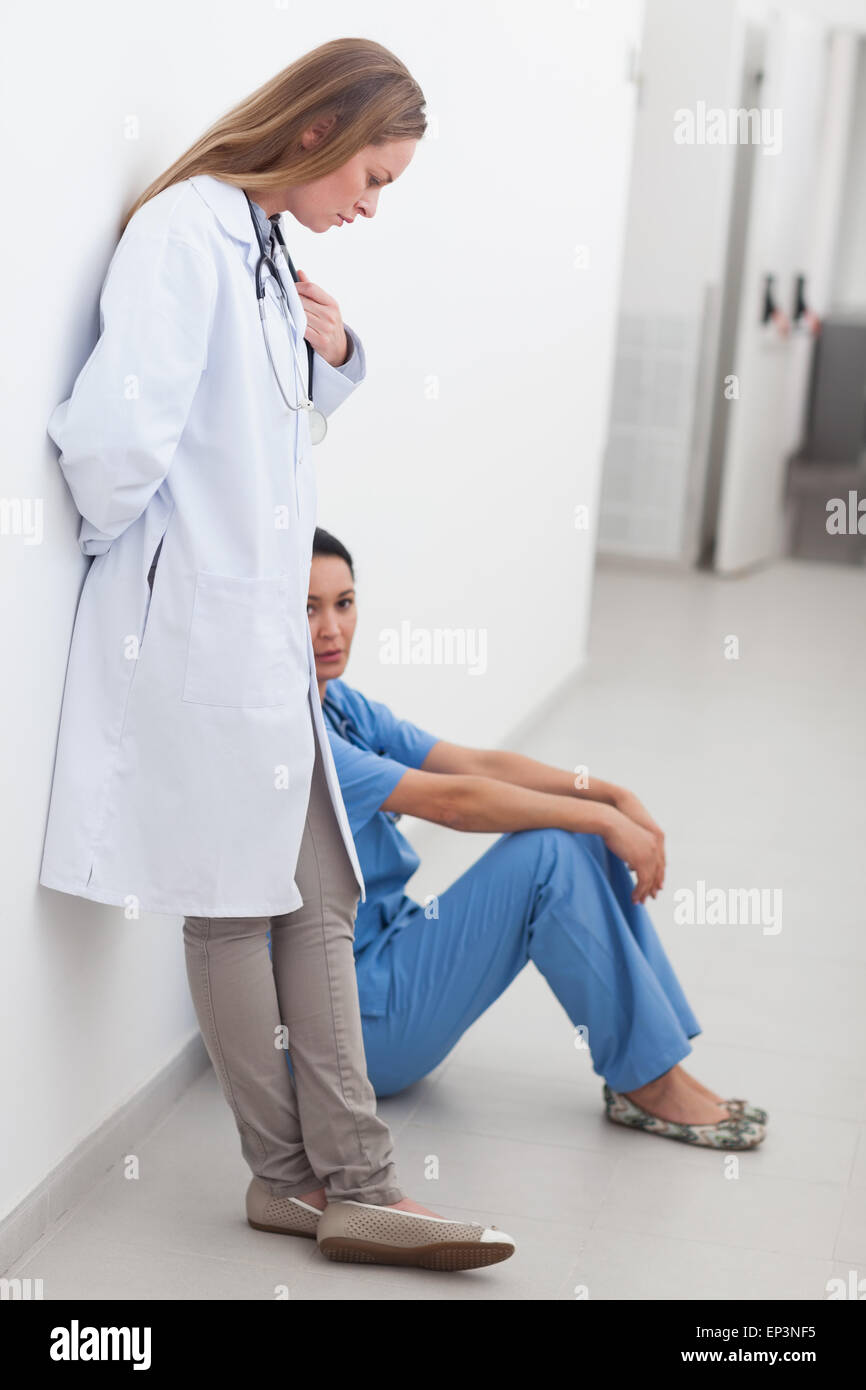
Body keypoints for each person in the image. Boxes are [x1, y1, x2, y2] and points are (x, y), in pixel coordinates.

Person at [39, 38, 515, 1273]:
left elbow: (264, 420)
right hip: (199, 633)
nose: (369, 203)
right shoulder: (185, 234)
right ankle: (309, 1183)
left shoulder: (254, 246)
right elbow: (120, 431)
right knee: (235, 906)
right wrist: (134, 559)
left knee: (319, 895)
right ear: (314, 132)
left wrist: (340, 353)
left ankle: (343, 1183)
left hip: (254, 644)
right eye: (373, 175)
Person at [307, 528, 769, 1151]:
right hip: (357, 1028)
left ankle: (657, 1065)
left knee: (572, 835)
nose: (332, 628)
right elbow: (454, 802)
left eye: (344, 602)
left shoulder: (343, 705)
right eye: (306, 608)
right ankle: (649, 1080)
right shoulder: (300, 735)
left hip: (390, 961)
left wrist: (607, 795)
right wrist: (602, 819)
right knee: (554, 847)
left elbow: (477, 765)